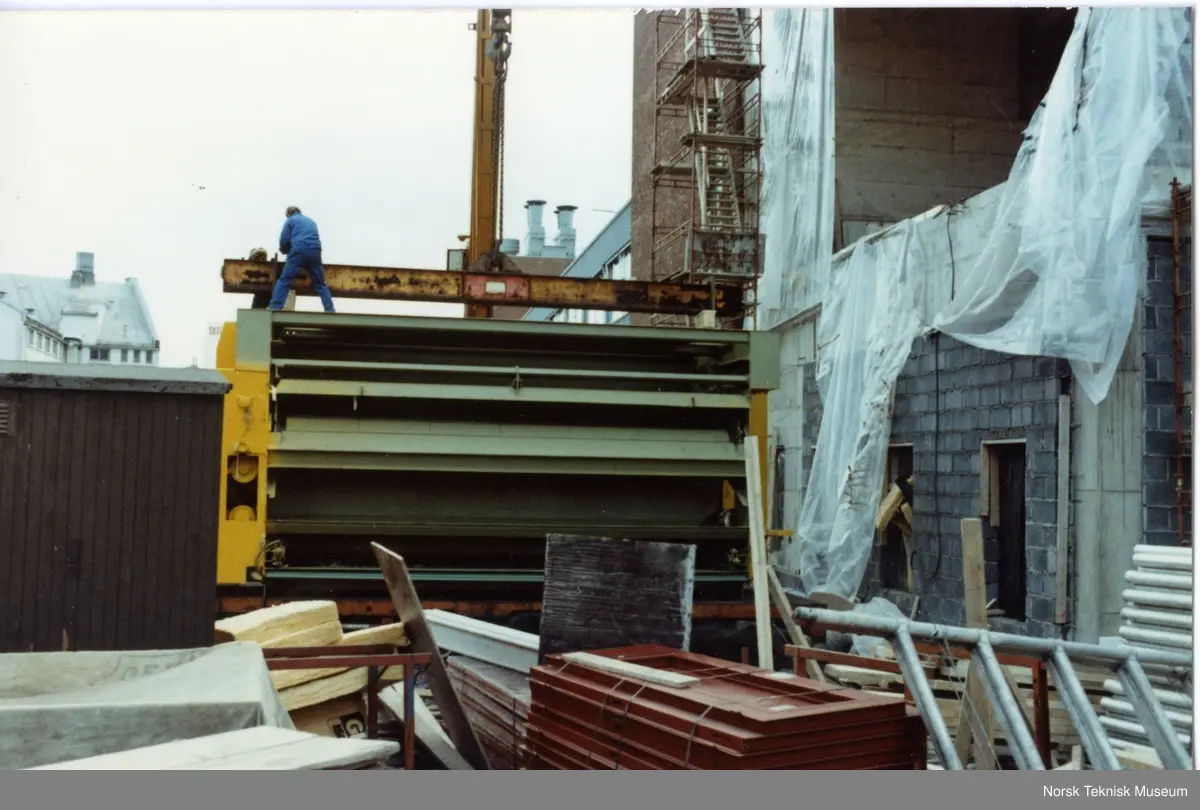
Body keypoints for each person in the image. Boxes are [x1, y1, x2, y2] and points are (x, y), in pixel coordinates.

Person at [268, 206, 336, 312]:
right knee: (320, 284)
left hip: (298, 251)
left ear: (288, 214)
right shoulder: (311, 221)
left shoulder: (290, 221)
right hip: (315, 251)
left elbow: (284, 240)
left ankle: (275, 306)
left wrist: (284, 250)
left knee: (284, 280)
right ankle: (330, 309)